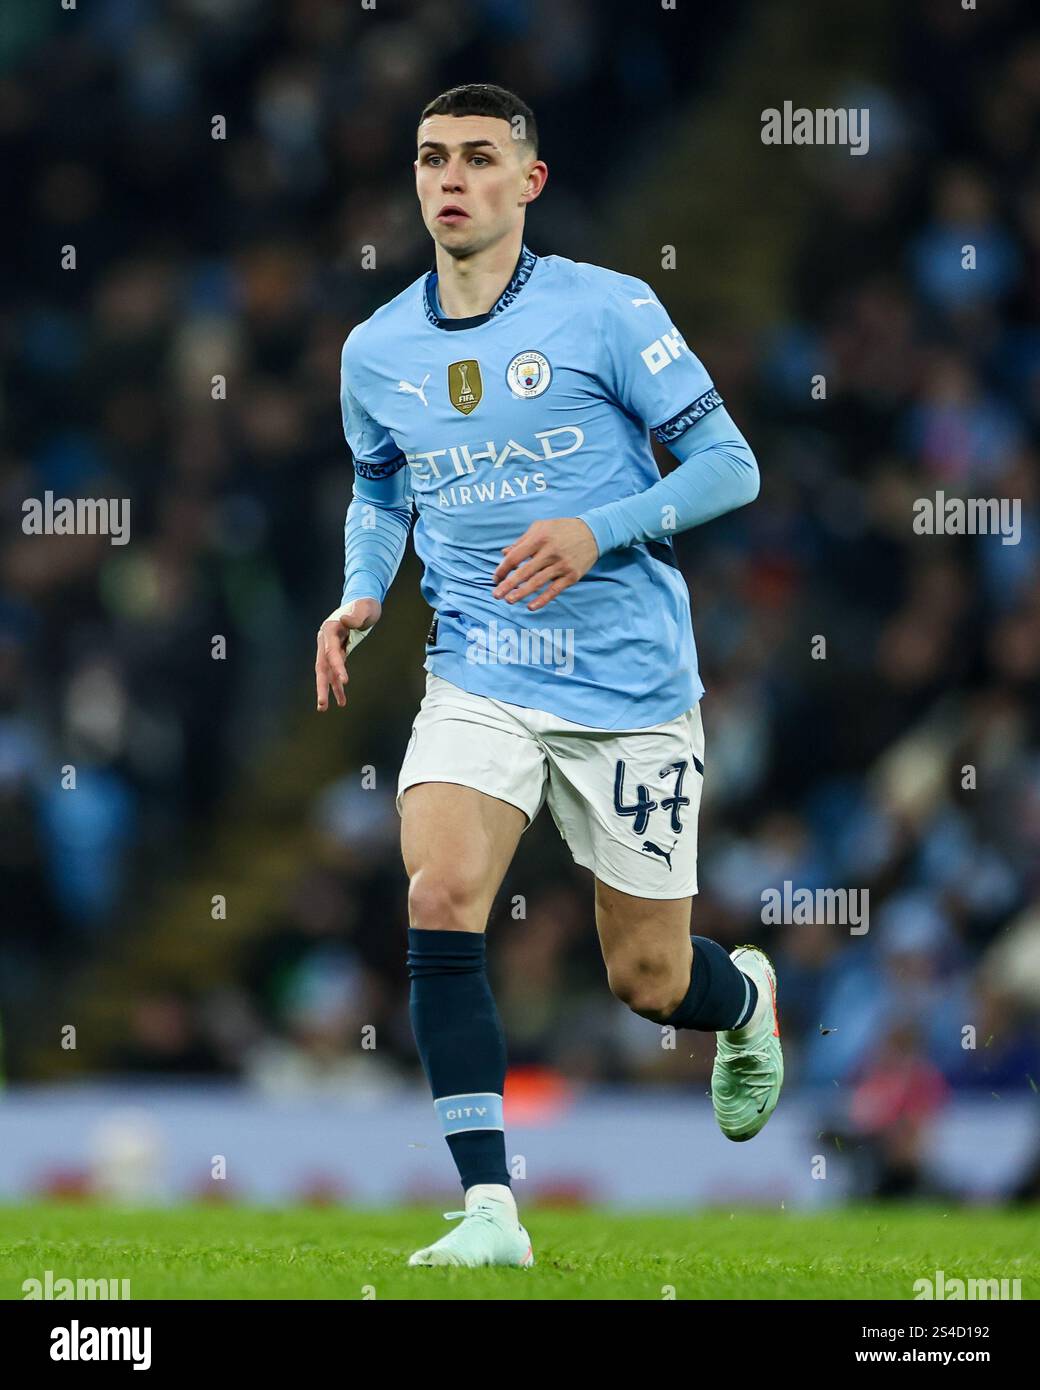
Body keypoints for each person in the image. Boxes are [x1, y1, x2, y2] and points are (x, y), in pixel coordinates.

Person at [316, 83, 781, 1268]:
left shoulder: (606, 311)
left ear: (527, 181)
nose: (450, 178)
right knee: (438, 894)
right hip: (477, 666)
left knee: (646, 977)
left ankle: (740, 1004)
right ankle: (487, 1212)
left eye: (478, 157)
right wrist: (364, 590)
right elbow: (379, 488)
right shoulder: (376, 350)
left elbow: (731, 466)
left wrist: (601, 527)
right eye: (431, 158)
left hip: (627, 685)